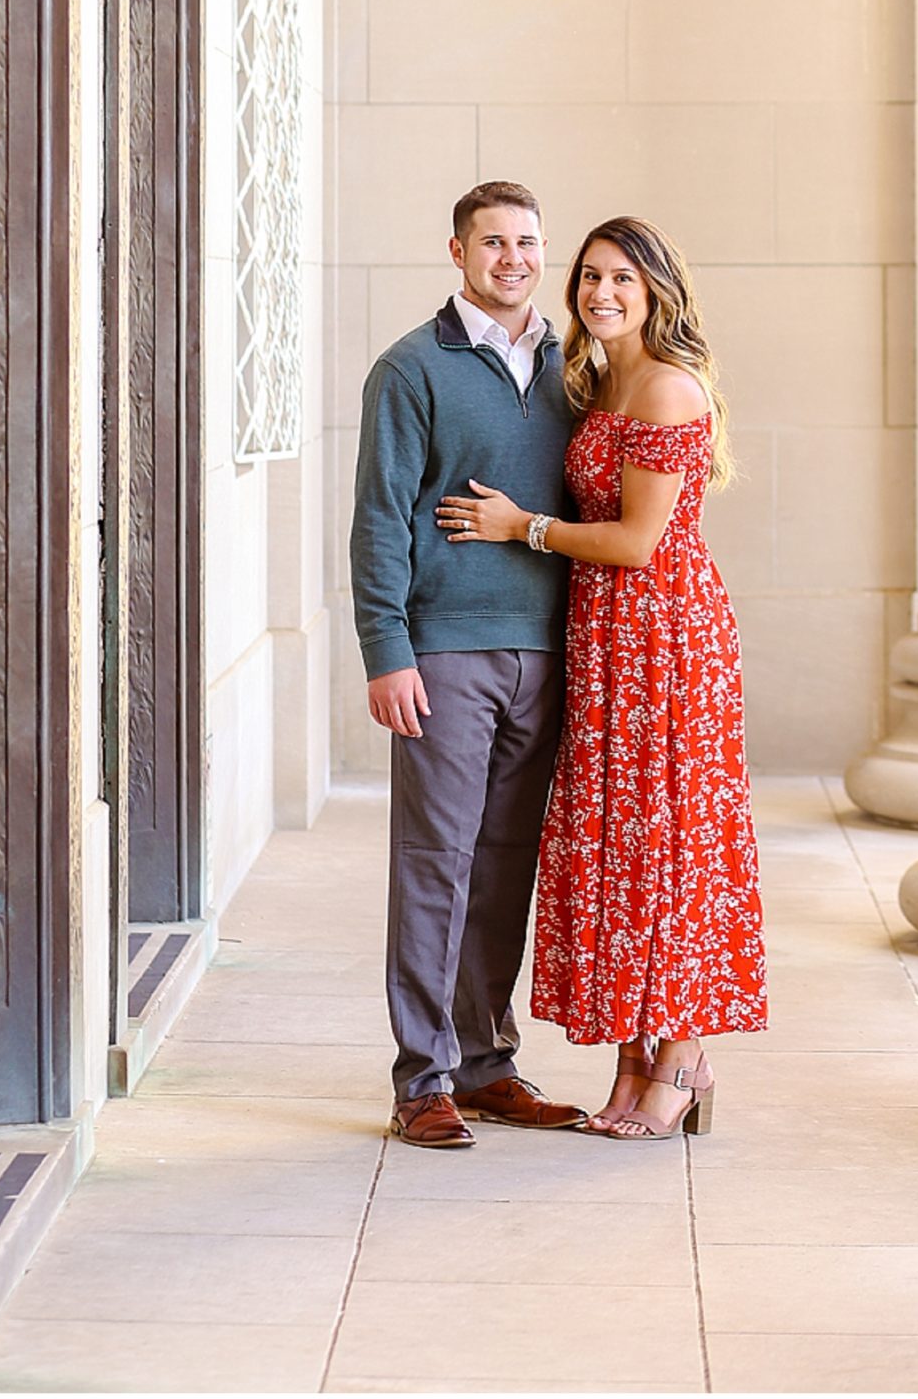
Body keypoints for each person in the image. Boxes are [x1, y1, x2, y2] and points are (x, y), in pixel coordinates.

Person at [438, 214, 767, 1141]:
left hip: (667, 643)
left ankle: (684, 1057)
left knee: (671, 846)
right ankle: (631, 1059)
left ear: (657, 288)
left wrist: (522, 528)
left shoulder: (666, 389)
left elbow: (636, 540)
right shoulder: (595, 382)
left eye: (623, 277)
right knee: (619, 846)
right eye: (589, 277)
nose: (602, 293)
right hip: (604, 642)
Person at [349, 180, 589, 1149]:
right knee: (436, 864)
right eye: (493, 242)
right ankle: (422, 1077)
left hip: (547, 652)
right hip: (445, 653)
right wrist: (386, 648)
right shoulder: (410, 370)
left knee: (503, 868)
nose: (513, 258)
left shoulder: (576, 370)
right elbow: (377, 520)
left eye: (527, 241)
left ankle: (488, 1063)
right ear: (457, 252)